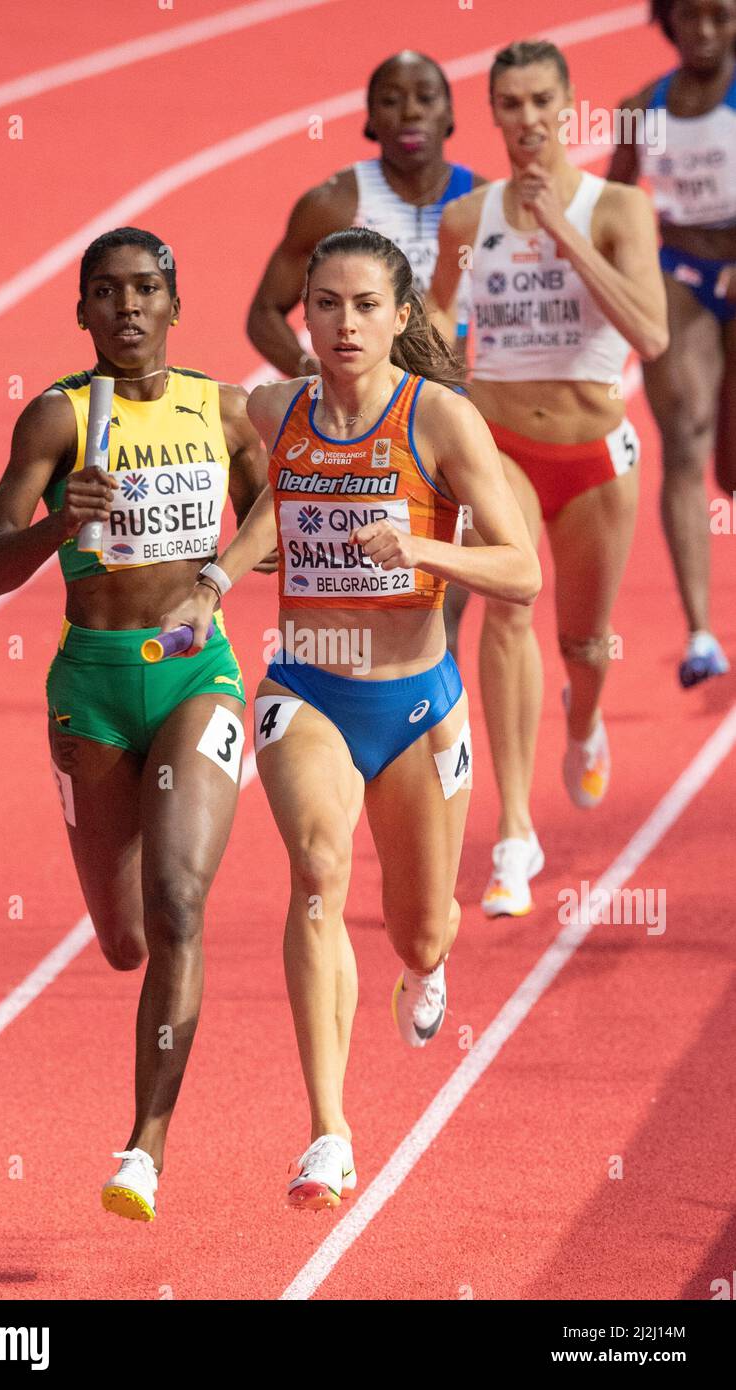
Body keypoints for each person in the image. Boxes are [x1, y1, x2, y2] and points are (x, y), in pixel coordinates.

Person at [164, 227, 540, 1209]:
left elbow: (521, 570)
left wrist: (424, 550)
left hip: (416, 701)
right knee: (319, 870)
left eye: (365, 304)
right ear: (305, 316)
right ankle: (328, 1130)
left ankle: (427, 966)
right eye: (324, 303)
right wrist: (213, 578)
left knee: (419, 932)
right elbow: (273, 508)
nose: (342, 322)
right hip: (307, 685)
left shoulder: (442, 420)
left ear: (400, 316)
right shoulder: (275, 407)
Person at [0, 226, 270, 1223]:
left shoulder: (220, 409)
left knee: (182, 901)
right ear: (83, 313)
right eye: (107, 293)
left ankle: (143, 1147)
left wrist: (229, 564)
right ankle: (123, 928)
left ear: (175, 304)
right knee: (127, 937)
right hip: (90, 692)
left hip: (198, 679)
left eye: (146, 289)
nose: (129, 308)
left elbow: (275, 521)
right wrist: (63, 522)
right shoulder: (57, 420)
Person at [427, 40, 668, 918]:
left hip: (596, 458)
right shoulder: (467, 221)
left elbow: (652, 335)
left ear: (568, 106)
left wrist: (562, 233)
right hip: (500, 447)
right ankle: (516, 833)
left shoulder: (618, 210)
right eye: (511, 104)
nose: (526, 120)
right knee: (508, 610)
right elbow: (433, 327)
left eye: (540, 102)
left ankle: (584, 718)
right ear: (492, 115)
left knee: (584, 647)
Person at [247, 49, 486, 657]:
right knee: (345, 607)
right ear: (368, 119)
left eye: (426, 97)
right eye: (390, 99)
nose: (409, 110)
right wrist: (318, 375)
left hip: (440, 425)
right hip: (350, 431)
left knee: (435, 612)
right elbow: (263, 313)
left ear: (451, 114)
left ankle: (428, 731)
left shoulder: (486, 205)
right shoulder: (333, 205)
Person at [608, 0, 736, 687]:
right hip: (683, 275)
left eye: (722, 16)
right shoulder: (640, 108)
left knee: (731, 469)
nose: (707, 33)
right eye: (692, 17)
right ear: (669, 20)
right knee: (683, 440)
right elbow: (610, 202)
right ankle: (701, 635)